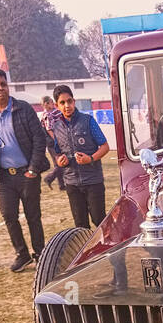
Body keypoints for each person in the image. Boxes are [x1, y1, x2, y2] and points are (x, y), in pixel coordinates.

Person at [0, 66, 49, 272]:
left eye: (3, 84)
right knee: (9, 216)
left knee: (33, 216)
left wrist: (33, 169)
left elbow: (39, 138)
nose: (1, 88)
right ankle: (22, 254)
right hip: (3, 177)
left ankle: (40, 253)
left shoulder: (23, 108)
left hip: (26, 173)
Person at [49, 85, 109, 231]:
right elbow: (58, 152)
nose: (67, 106)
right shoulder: (56, 127)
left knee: (99, 220)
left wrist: (91, 158)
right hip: (71, 183)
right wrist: (59, 161)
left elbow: (105, 146)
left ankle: (109, 251)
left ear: (74, 101)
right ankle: (88, 253)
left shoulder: (88, 121)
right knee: (80, 225)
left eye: (69, 101)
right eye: (62, 103)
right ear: (57, 105)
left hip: (93, 181)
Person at [39, 95, 65, 190]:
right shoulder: (48, 115)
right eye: (51, 102)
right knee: (60, 162)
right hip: (52, 141)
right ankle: (49, 178)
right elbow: (49, 129)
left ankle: (61, 185)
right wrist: (56, 140)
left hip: (52, 140)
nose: (53, 103)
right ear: (46, 104)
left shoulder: (53, 112)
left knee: (57, 163)